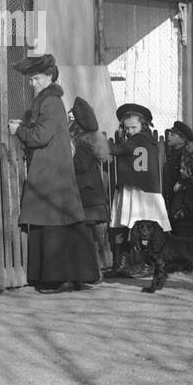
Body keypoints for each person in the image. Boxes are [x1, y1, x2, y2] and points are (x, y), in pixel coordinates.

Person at [7, 54, 98, 293]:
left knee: (52, 224)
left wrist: (19, 130)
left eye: (35, 78)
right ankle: (74, 275)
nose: (32, 83)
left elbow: (41, 136)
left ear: (49, 77)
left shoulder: (49, 103)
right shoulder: (52, 102)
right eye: (30, 79)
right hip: (55, 171)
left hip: (50, 172)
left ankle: (56, 278)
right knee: (63, 223)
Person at [108, 103, 170, 277]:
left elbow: (117, 150)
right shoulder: (145, 140)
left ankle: (150, 264)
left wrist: (96, 140)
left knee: (143, 228)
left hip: (141, 191)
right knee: (126, 225)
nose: (130, 131)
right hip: (136, 188)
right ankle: (124, 264)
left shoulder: (140, 139)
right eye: (126, 128)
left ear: (143, 125)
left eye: (133, 127)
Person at [69, 96, 111, 276]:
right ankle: (103, 267)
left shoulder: (81, 144)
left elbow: (79, 166)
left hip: (87, 197)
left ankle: (96, 271)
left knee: (91, 239)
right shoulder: (90, 140)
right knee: (99, 239)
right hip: (96, 197)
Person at [163, 120, 193, 238]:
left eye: (173, 134)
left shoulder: (186, 157)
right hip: (175, 207)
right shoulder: (173, 154)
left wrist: (181, 184)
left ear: (182, 140)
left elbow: (192, 178)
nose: (168, 136)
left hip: (185, 215)